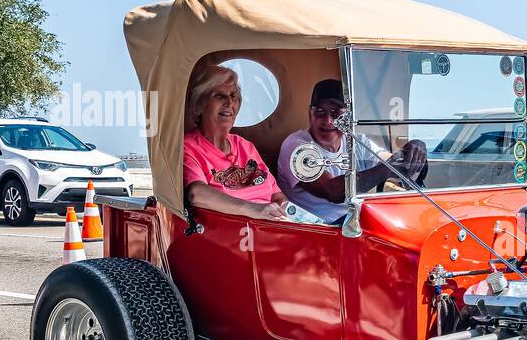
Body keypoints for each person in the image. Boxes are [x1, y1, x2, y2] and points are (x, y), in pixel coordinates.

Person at [277, 79, 428, 224]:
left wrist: (414, 150)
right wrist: (388, 169)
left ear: (348, 116)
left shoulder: (357, 142)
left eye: (336, 113)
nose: (328, 121)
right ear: (310, 114)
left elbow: (390, 159)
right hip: (318, 229)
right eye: (320, 112)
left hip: (354, 222)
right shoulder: (296, 146)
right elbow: (333, 191)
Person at [182, 65, 288, 220]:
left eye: (233, 96)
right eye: (219, 95)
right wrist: (254, 210)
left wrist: (279, 216)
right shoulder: (188, 147)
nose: (229, 103)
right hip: (227, 236)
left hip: (268, 231)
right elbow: (196, 194)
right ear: (199, 106)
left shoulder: (245, 146)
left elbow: (278, 196)